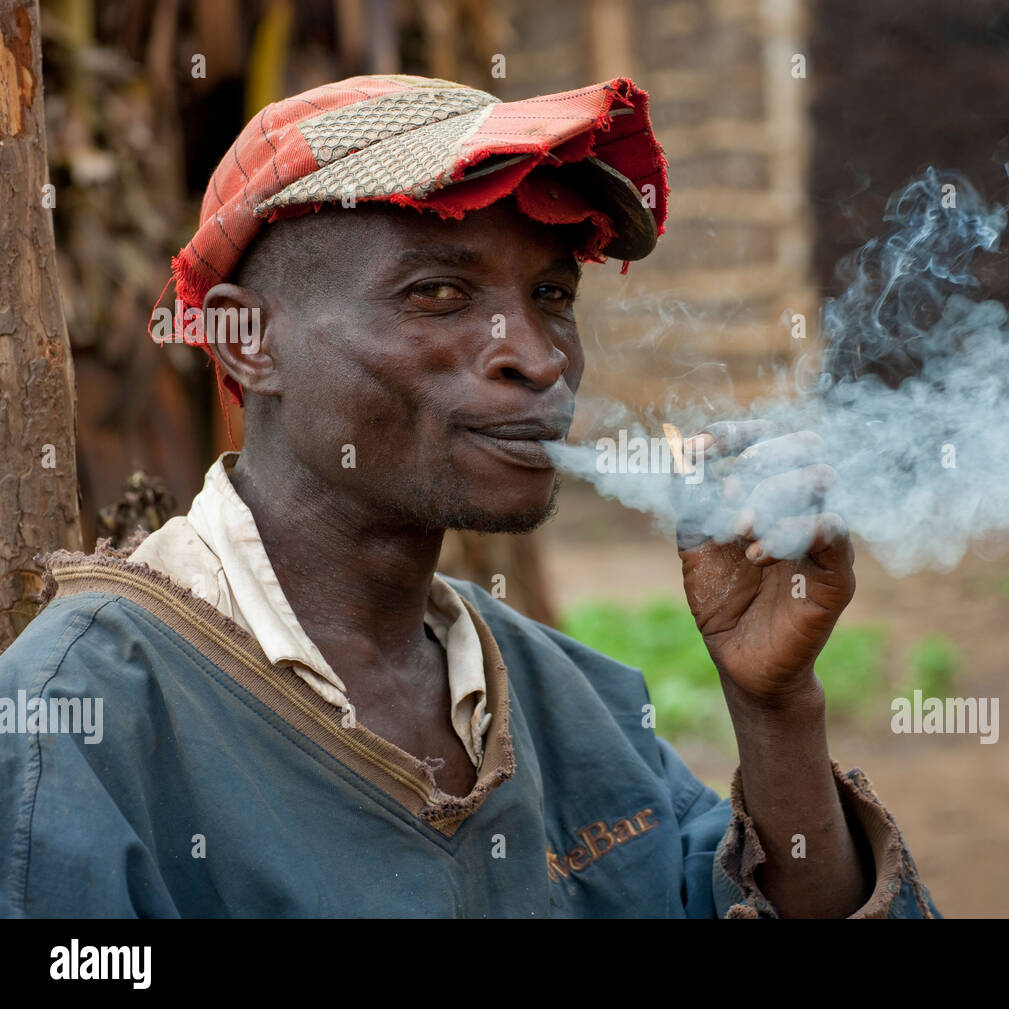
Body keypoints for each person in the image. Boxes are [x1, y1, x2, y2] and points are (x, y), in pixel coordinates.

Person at [0, 74, 939, 918]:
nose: (536, 358)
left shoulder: (570, 704)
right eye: (440, 293)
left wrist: (776, 712)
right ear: (248, 338)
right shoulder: (75, 723)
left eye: (553, 295)